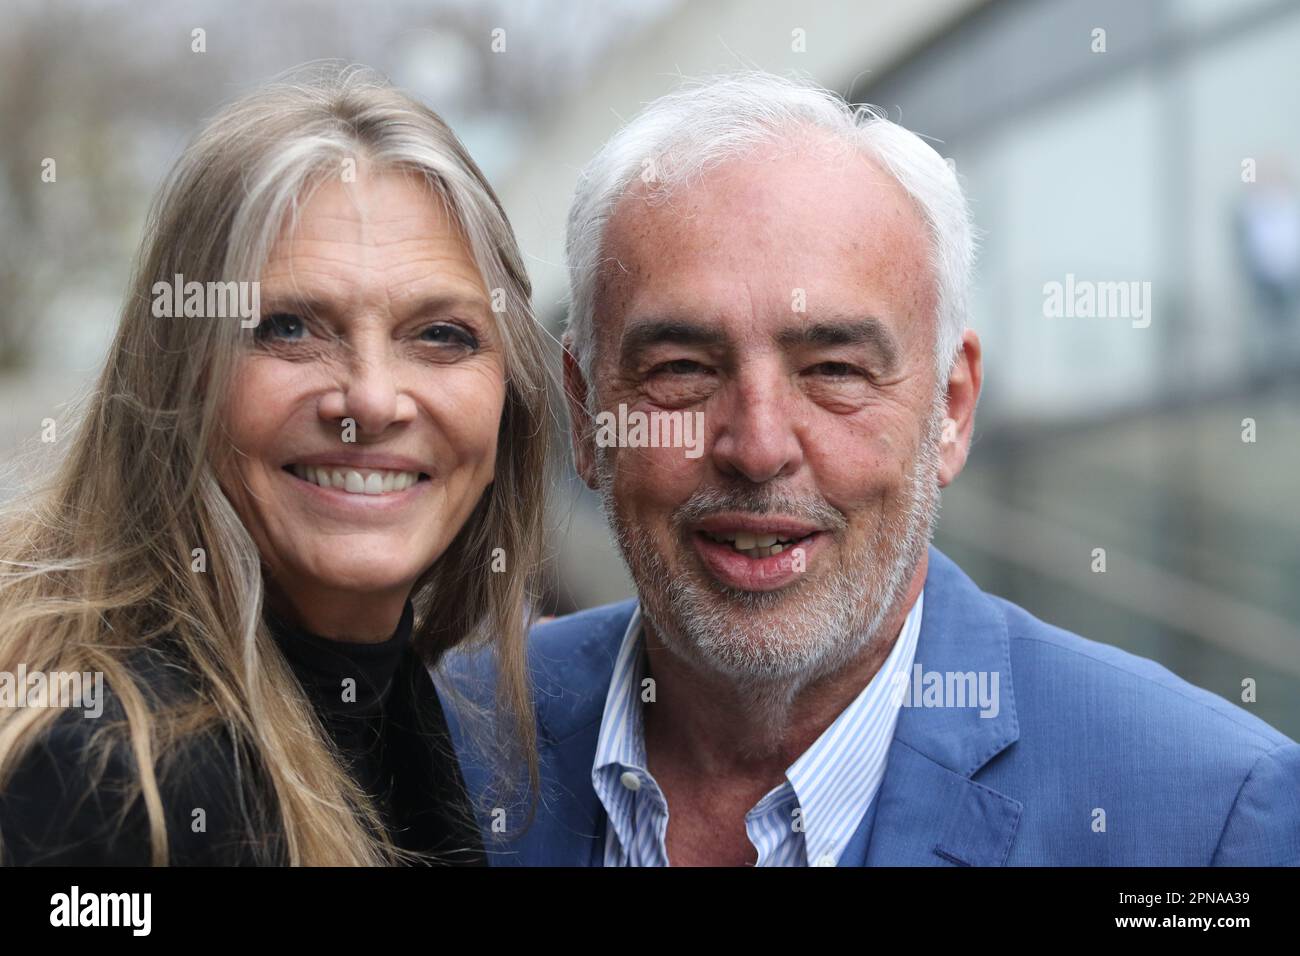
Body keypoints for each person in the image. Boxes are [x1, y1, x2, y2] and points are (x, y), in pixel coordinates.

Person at [445, 71, 1300, 866]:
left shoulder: (1207, 817)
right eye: (682, 369)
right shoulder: (443, 737)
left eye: (835, 372)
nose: (759, 446)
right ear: (588, 415)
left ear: (951, 410)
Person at [0, 64, 552, 865]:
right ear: (176, 374)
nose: (370, 399)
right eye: (289, 327)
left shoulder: (408, 704)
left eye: (441, 335)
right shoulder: (99, 778)